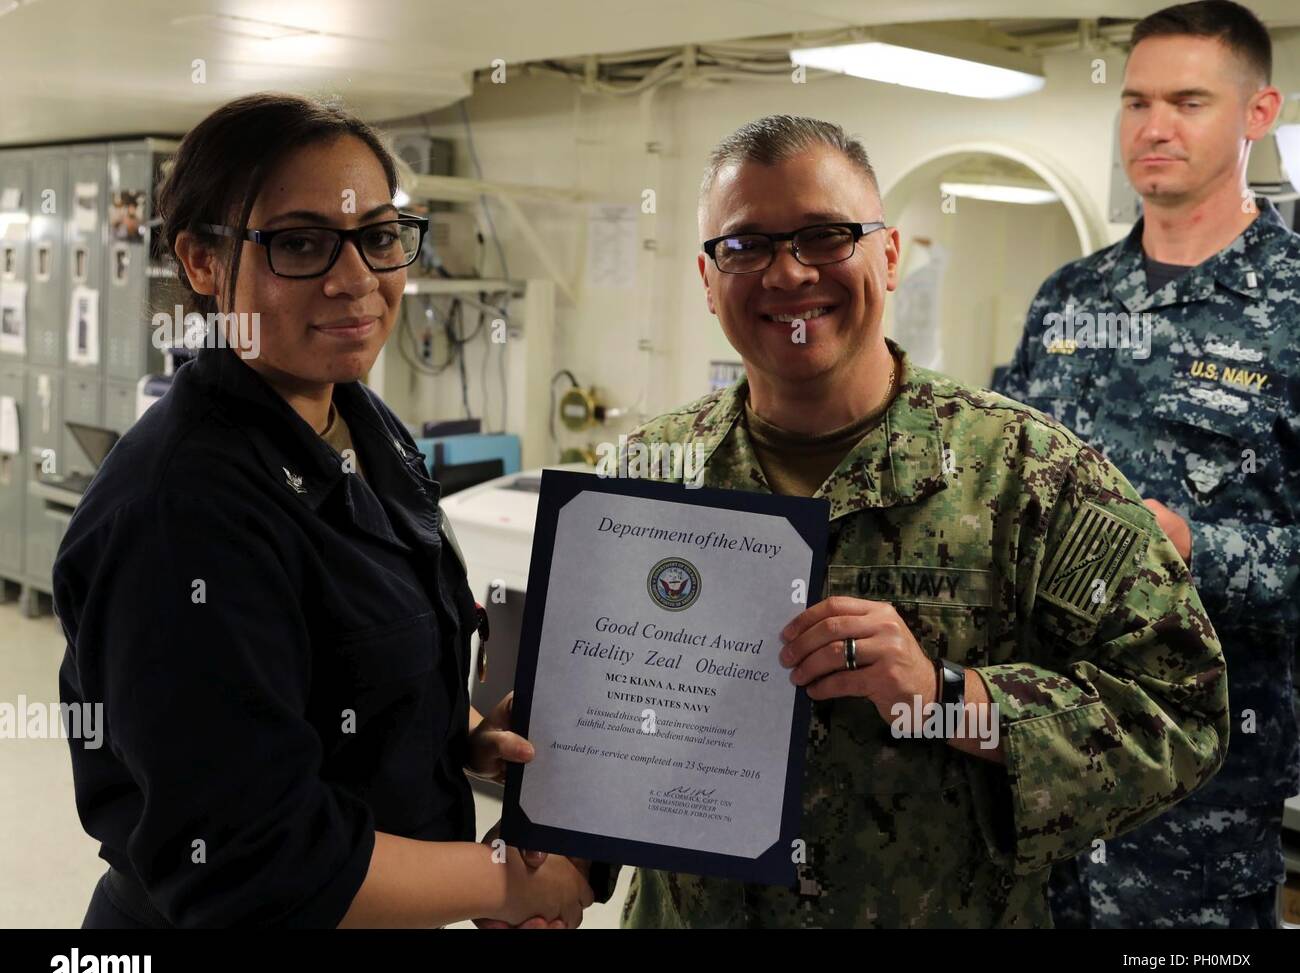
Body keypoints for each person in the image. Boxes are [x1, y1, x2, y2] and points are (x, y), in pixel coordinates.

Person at [590, 113, 1229, 928]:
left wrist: (948, 698)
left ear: (888, 257)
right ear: (707, 278)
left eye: (825, 236)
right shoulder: (649, 470)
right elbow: (611, 728)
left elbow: (1182, 713)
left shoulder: (1032, 476)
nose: (787, 275)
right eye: (747, 246)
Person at [53, 93, 592, 929]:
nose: (357, 281)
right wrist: (507, 882)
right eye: (299, 244)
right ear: (200, 262)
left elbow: (343, 666)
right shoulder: (183, 512)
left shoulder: (358, 422)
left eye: (379, 236)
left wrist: (458, 732)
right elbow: (252, 859)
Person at [999, 0, 1299, 929]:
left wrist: (1192, 545)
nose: (1153, 127)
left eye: (1188, 100)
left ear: (1259, 114)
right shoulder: (1069, 298)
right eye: (1135, 102)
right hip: (1042, 791)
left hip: (1199, 814)